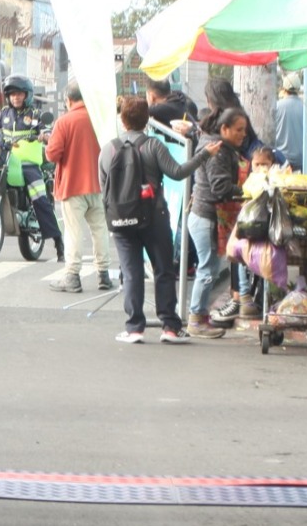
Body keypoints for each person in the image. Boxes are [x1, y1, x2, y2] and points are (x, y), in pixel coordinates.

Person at [101, 97, 219, 344]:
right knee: (163, 270)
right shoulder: (153, 146)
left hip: (121, 222)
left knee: (132, 273)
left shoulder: (108, 149)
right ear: (147, 120)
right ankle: (170, 327)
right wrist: (203, 155)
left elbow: (104, 188)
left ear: (122, 119)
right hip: (154, 218)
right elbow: (177, 172)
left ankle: (134, 328)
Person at [186, 107, 252, 338]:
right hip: (205, 217)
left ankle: (200, 317)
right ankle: (196, 320)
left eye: (244, 130)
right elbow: (220, 187)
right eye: (238, 130)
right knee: (207, 270)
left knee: (210, 268)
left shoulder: (219, 146)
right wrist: (249, 190)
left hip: (205, 216)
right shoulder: (218, 151)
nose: (243, 134)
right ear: (224, 129)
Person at [45, 81, 111, 293]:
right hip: (98, 185)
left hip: (72, 185)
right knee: (99, 230)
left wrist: (48, 142)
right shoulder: (99, 120)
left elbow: (52, 154)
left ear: (68, 100)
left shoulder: (64, 122)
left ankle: (72, 276)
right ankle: (103, 275)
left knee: (74, 232)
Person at [0, 76, 64, 261]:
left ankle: (59, 244)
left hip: (29, 163)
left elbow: (46, 128)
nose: (15, 97)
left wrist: (45, 134)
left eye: (19, 94)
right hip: (7, 161)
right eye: (12, 94)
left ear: (27, 95)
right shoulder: (4, 114)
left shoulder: (35, 114)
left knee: (40, 200)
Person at [273, 72, 306, 171]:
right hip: (302, 161)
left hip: (281, 160)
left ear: (284, 88)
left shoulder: (276, 106)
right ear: (299, 88)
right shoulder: (306, 108)